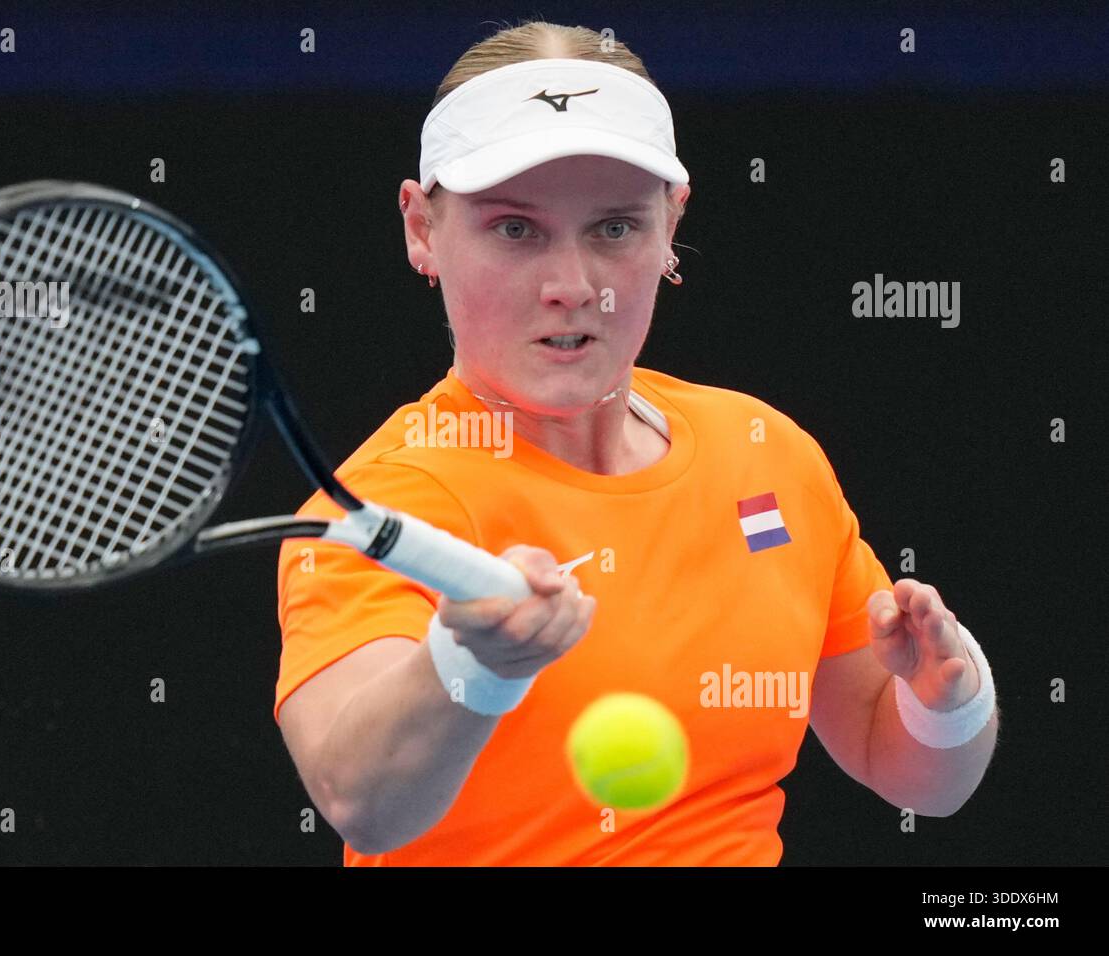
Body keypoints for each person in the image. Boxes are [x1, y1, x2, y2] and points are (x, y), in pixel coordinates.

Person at [274, 21, 999, 866]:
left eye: (614, 228)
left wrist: (948, 697)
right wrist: (474, 666)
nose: (572, 288)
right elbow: (361, 799)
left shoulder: (767, 452)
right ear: (422, 229)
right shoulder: (376, 507)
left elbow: (908, 766)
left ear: (671, 224)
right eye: (515, 229)